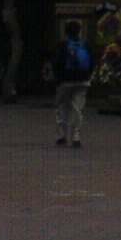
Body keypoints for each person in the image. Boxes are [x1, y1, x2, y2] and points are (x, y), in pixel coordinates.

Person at [50, 19, 93, 147]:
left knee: (62, 106)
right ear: (79, 31)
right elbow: (92, 62)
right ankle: (76, 136)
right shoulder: (84, 45)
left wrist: (57, 77)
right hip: (82, 81)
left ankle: (61, 136)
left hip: (65, 81)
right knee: (78, 109)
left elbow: (56, 63)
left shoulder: (62, 44)